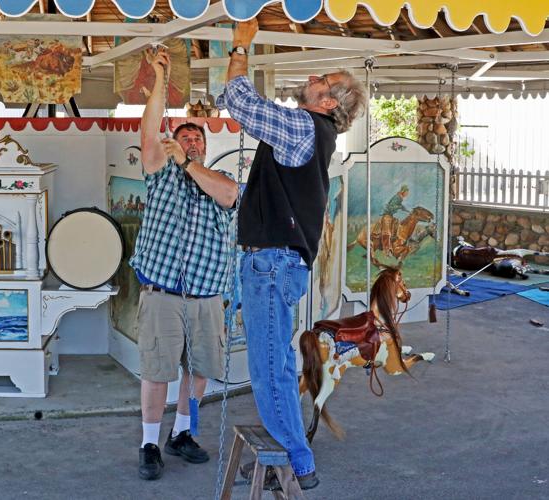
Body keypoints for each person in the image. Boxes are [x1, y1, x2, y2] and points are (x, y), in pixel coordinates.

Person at [216, 20, 367, 490]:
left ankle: (296, 462)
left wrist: (241, 44)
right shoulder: (310, 132)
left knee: (269, 370)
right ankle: (287, 451)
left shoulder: (305, 127)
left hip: (271, 262)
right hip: (278, 262)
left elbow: (239, 101)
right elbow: (233, 106)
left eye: (327, 80)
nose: (317, 79)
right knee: (277, 365)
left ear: (329, 103)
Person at [129, 48, 238, 481]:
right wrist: (160, 79)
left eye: (198, 140)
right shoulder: (160, 172)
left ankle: (183, 432)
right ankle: (150, 442)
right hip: (163, 294)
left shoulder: (218, 182)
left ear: (205, 149)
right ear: (173, 142)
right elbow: (148, 131)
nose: (192, 142)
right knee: (158, 370)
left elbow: (230, 197)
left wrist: (189, 162)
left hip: (207, 297)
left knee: (199, 371)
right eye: (185, 137)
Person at [380, 185, 410, 255]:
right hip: (387, 215)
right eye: (407, 192)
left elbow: (400, 206)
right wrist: (400, 207)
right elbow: (391, 207)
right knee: (386, 232)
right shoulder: (397, 197)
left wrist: (406, 210)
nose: (407, 194)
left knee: (397, 226)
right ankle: (386, 250)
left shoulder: (400, 198)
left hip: (391, 215)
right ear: (403, 191)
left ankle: (393, 245)